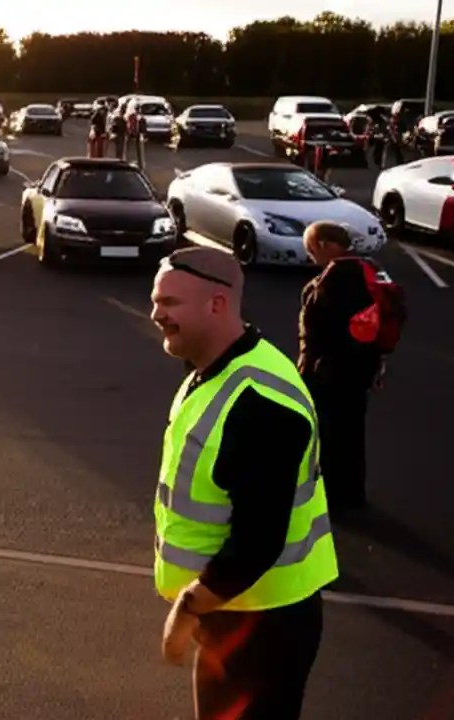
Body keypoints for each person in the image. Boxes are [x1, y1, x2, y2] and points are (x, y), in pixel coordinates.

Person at [149, 247, 339, 720]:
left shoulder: (260, 402)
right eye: (155, 302)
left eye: (170, 303)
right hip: (234, 616)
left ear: (217, 304)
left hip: (261, 627)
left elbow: (258, 541)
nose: (155, 315)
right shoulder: (216, 369)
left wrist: (188, 609)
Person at [299, 222, 391, 516]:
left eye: (311, 249)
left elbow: (317, 330)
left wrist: (305, 371)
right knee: (352, 432)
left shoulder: (332, 280)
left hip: (329, 371)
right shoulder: (370, 269)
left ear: (325, 245)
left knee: (327, 434)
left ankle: (330, 497)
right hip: (362, 367)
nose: (311, 256)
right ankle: (353, 493)